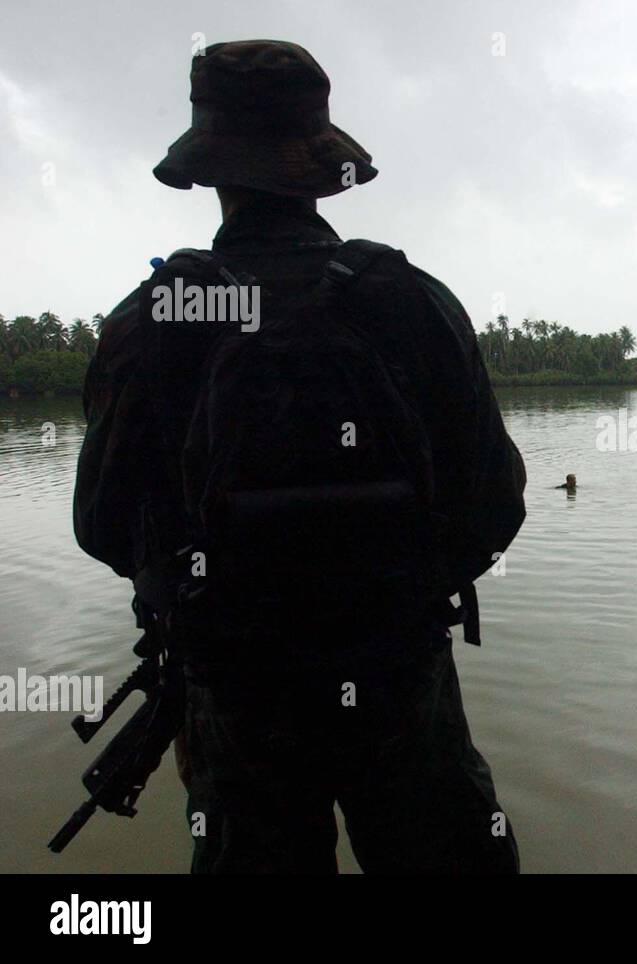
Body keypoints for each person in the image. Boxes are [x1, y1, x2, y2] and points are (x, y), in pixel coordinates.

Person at [72, 41, 526, 874]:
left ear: (213, 171)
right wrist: (386, 596)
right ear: (320, 168)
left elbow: (100, 525)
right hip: (401, 682)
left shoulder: (156, 318)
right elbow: (496, 506)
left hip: (236, 695)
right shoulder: (410, 301)